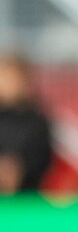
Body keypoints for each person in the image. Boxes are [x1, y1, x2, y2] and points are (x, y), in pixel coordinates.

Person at [0, 54, 53, 194]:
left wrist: (19, 169)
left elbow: (43, 158)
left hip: (26, 195)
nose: (5, 83)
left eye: (11, 78)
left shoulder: (37, 121)